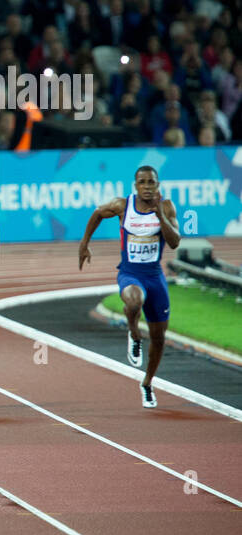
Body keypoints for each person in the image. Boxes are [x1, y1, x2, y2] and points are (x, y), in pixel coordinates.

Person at [78, 164, 181, 408]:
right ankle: (134, 333)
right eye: (142, 182)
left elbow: (175, 242)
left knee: (158, 338)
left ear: (158, 185)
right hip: (130, 273)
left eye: (151, 182)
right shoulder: (122, 206)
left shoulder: (166, 207)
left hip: (155, 277)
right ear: (136, 186)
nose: (147, 186)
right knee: (134, 300)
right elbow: (97, 213)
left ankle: (147, 383)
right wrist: (84, 243)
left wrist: (160, 216)